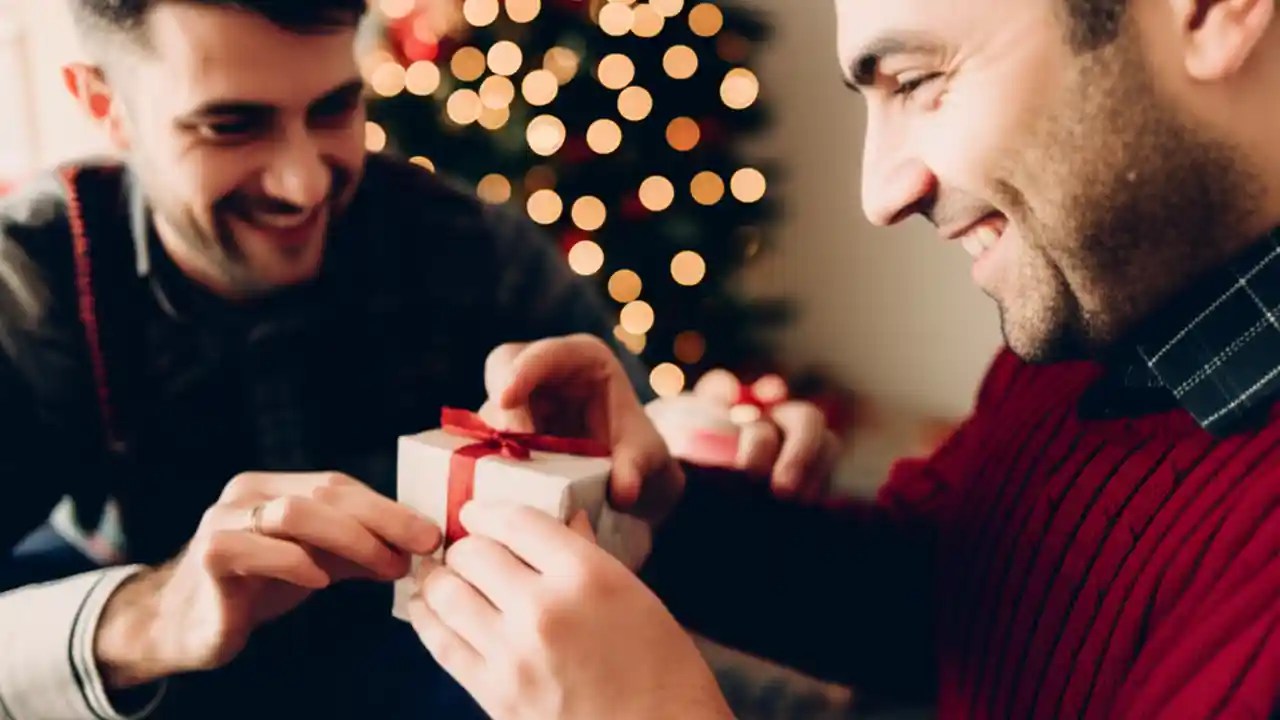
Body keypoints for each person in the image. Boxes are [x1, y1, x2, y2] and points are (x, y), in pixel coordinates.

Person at [402, 0, 1280, 718]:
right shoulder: (1098, 313)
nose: (879, 192)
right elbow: (946, 593)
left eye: (920, 80)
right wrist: (661, 507)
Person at [0, 1, 836, 718]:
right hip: (144, 671)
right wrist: (149, 617)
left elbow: (637, 481)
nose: (303, 185)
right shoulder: (33, 277)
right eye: (231, 125)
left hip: (432, 656)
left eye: (333, 110)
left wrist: (689, 452)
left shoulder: (473, 244)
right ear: (104, 104)